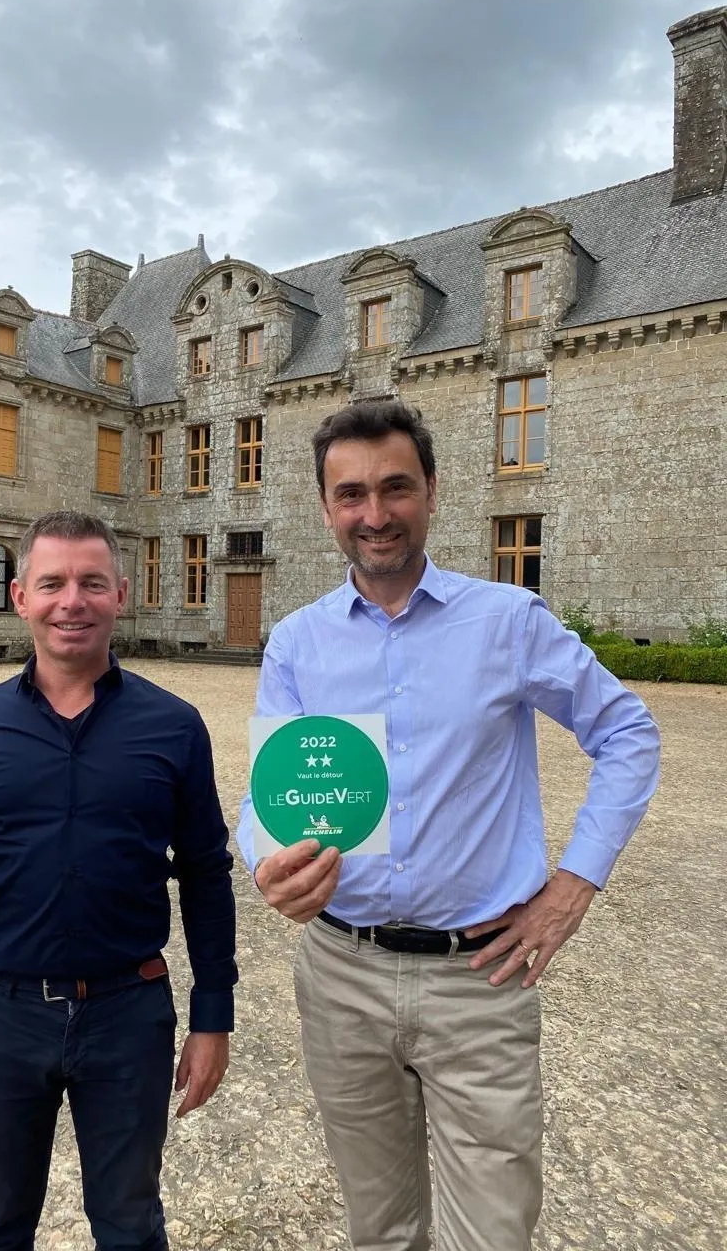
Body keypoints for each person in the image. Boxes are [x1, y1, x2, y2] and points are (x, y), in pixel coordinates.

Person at [237, 400, 660, 1251]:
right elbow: (268, 793)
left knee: (493, 1233)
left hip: (480, 980)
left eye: (396, 487)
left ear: (431, 491)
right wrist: (264, 860)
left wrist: (574, 884)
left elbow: (628, 733)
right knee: (381, 1227)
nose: (375, 514)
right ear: (325, 508)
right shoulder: (296, 643)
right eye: (350, 494)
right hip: (341, 971)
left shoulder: (505, 621)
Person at [0, 510, 237, 1251]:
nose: (72, 600)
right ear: (21, 596)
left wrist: (213, 1015)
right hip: (0, 1015)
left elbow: (207, 874)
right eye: (52, 583)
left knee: (129, 1225)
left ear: (120, 593)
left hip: (128, 1012)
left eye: (91, 582)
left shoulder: (175, 725)